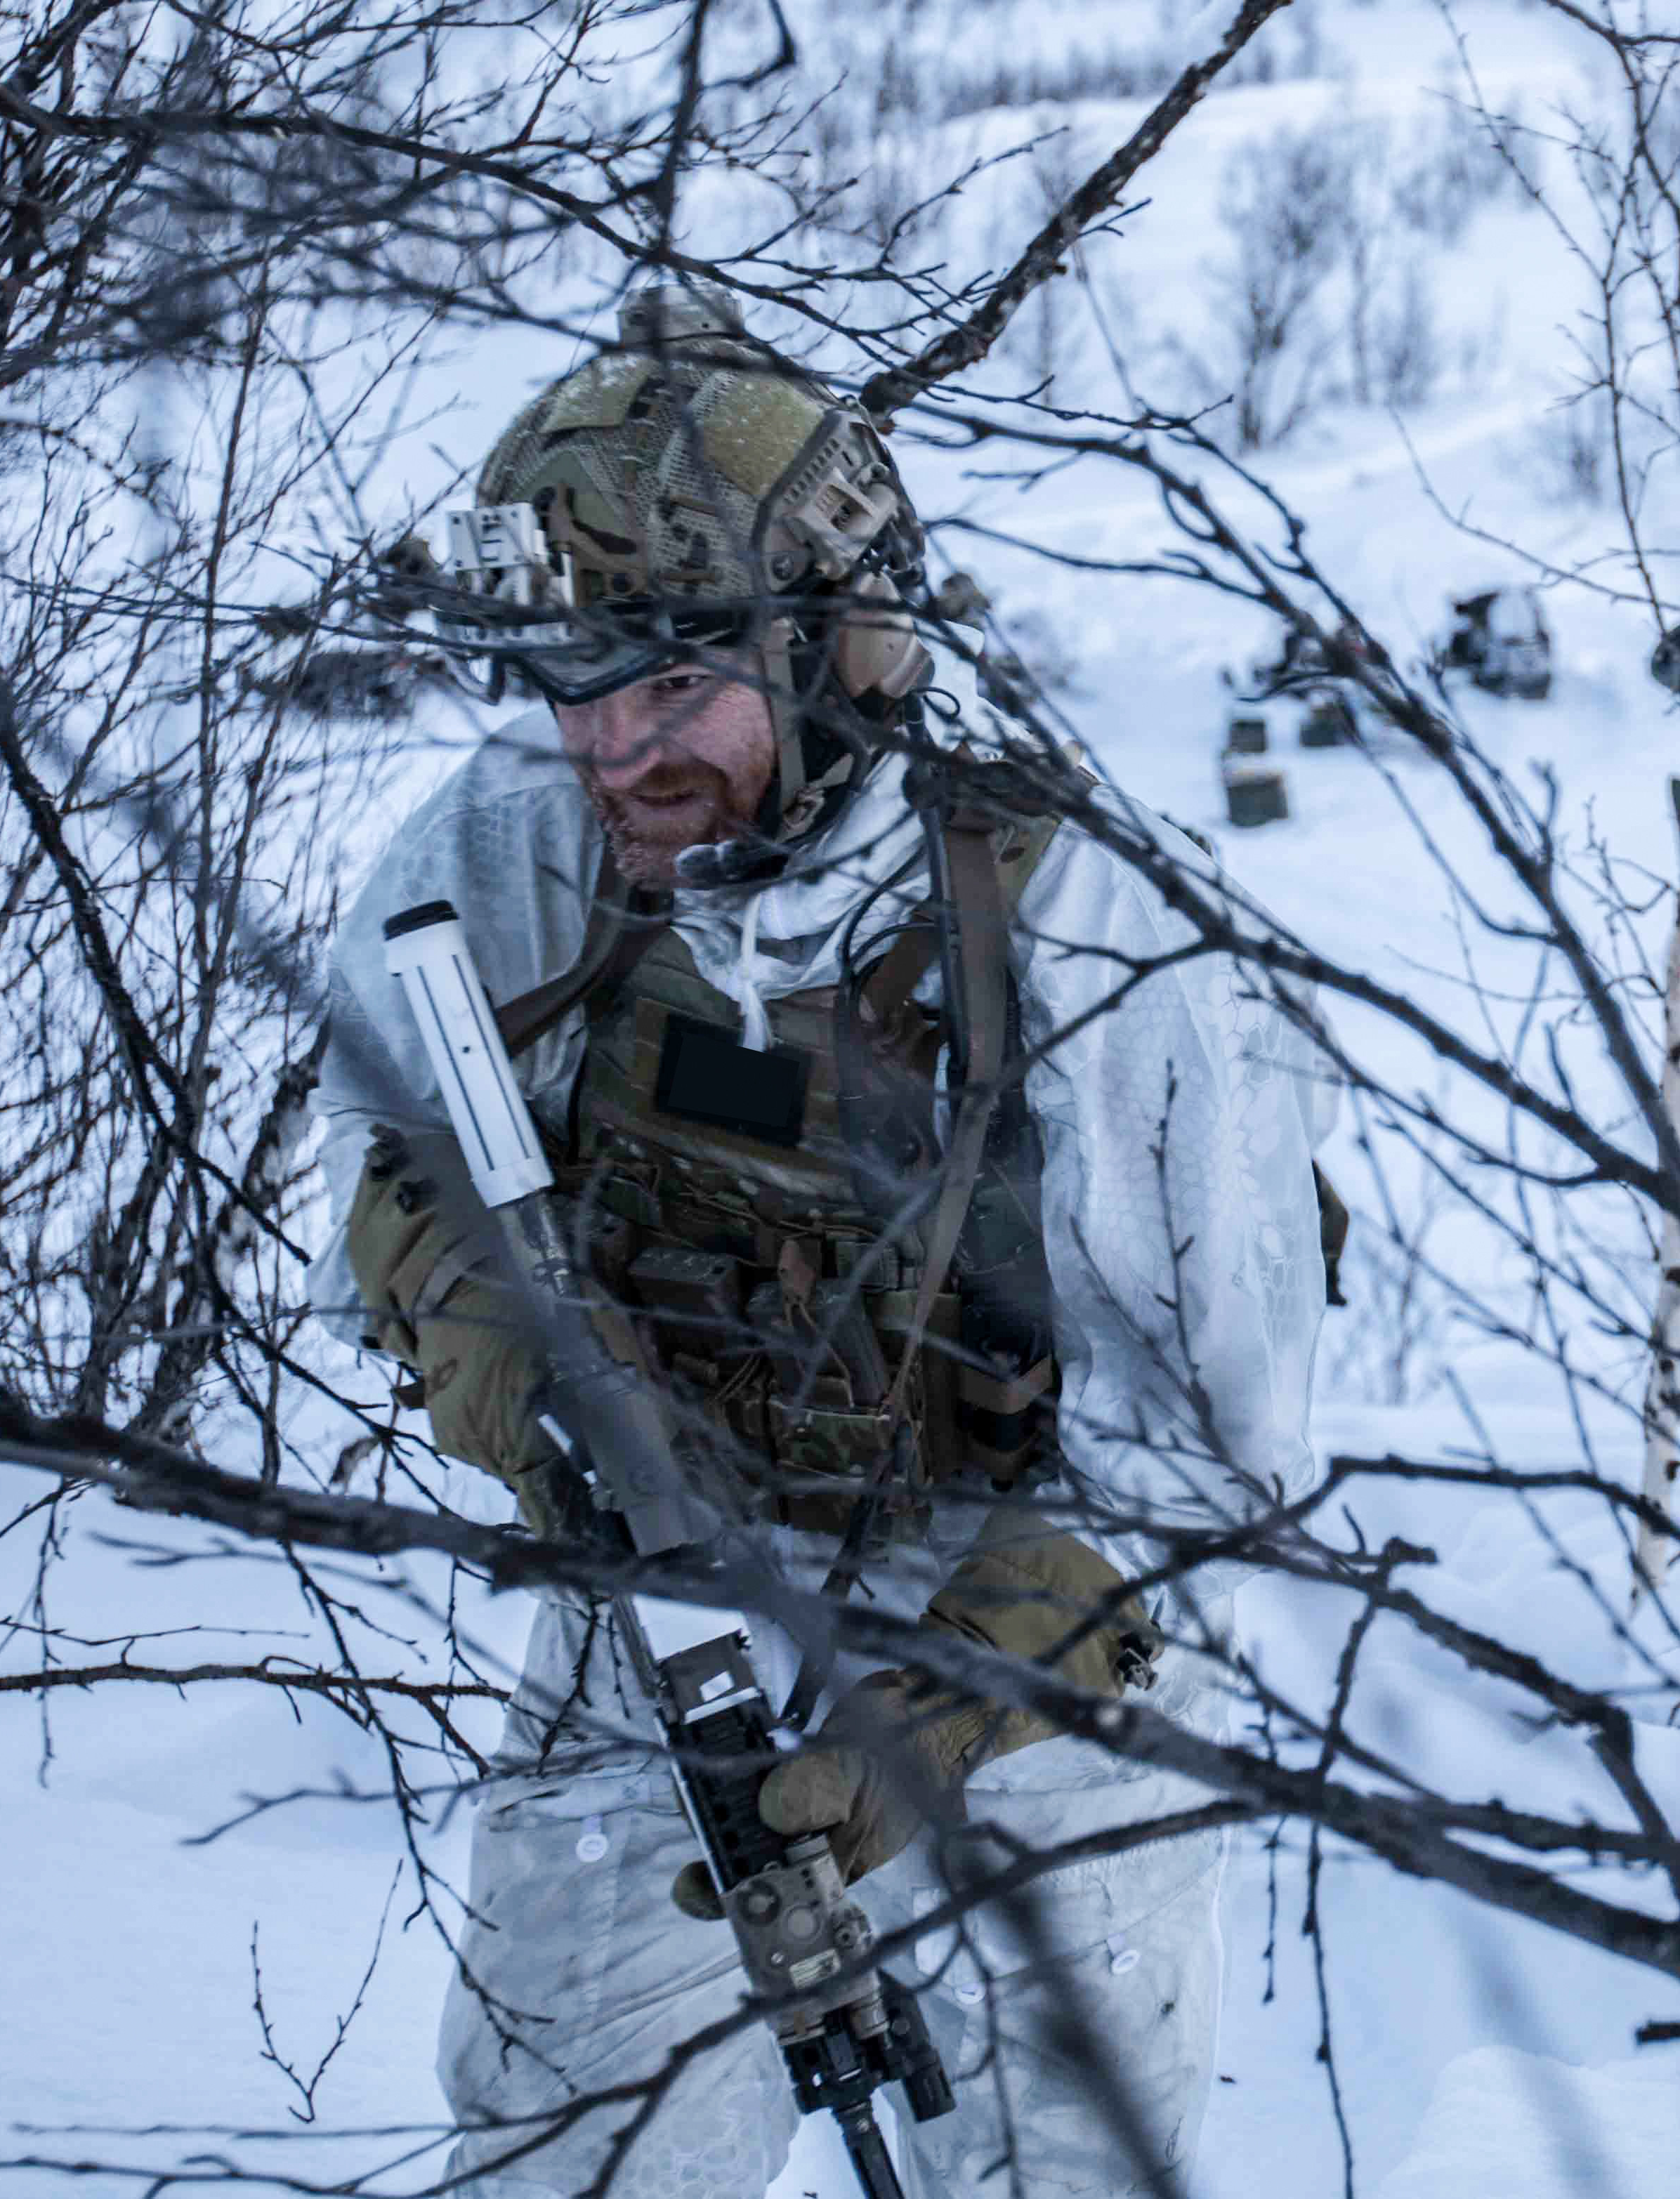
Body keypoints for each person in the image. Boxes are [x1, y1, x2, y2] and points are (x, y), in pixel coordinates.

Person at [311, 286, 1329, 2199]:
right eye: (573, 681)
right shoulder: (522, 839)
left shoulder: (1091, 933)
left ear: (837, 647)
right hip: (651, 1602)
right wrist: (510, 1360)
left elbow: (1217, 1459)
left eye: (670, 678)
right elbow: (387, 1149)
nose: (611, 743)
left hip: (1033, 1660)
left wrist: (919, 1724)